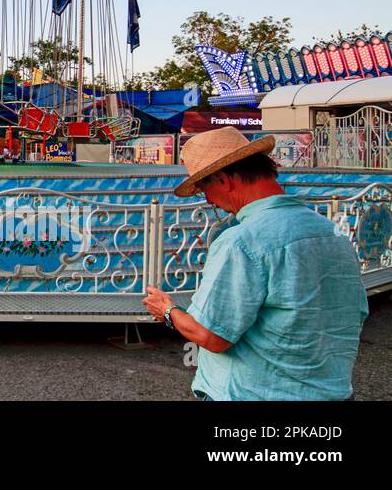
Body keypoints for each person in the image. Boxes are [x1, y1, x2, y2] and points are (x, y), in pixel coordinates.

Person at [144, 127, 368, 401]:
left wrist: (167, 310)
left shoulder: (241, 242)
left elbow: (212, 336)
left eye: (204, 188)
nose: (208, 200)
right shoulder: (332, 234)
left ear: (223, 180)